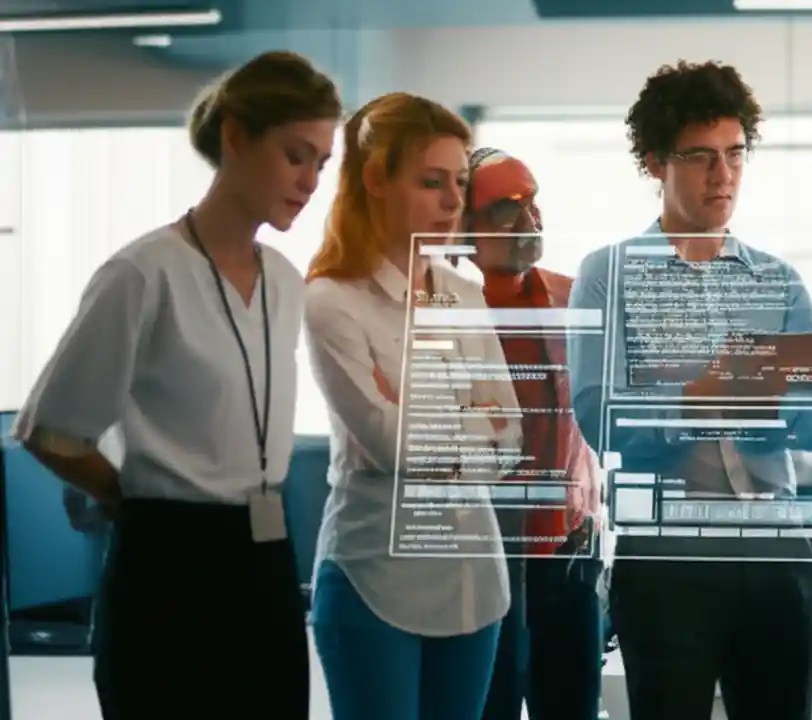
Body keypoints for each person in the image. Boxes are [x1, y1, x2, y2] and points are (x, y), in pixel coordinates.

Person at [11, 50, 341, 719]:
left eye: (321, 164)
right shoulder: (143, 273)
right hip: (168, 556)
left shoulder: (283, 278)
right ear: (237, 137)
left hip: (265, 553)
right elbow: (50, 429)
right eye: (295, 155)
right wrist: (132, 498)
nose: (309, 181)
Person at [567, 60, 812, 720]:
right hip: (667, 557)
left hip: (779, 553)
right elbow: (598, 416)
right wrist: (701, 397)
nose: (724, 177)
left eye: (735, 155)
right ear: (656, 161)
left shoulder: (779, 281)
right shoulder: (608, 275)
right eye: (701, 158)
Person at [304, 92, 522, 720]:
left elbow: (511, 446)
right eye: (432, 183)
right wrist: (468, 423)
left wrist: (418, 414)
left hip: (474, 583)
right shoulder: (332, 301)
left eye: (460, 182)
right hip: (376, 579)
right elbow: (393, 447)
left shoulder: (463, 293)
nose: (455, 203)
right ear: (375, 180)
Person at [460, 148, 604, 720]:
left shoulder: (574, 298)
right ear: (463, 228)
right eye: (506, 209)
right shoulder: (443, 310)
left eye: (533, 201)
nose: (530, 221)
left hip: (568, 553)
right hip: (481, 556)